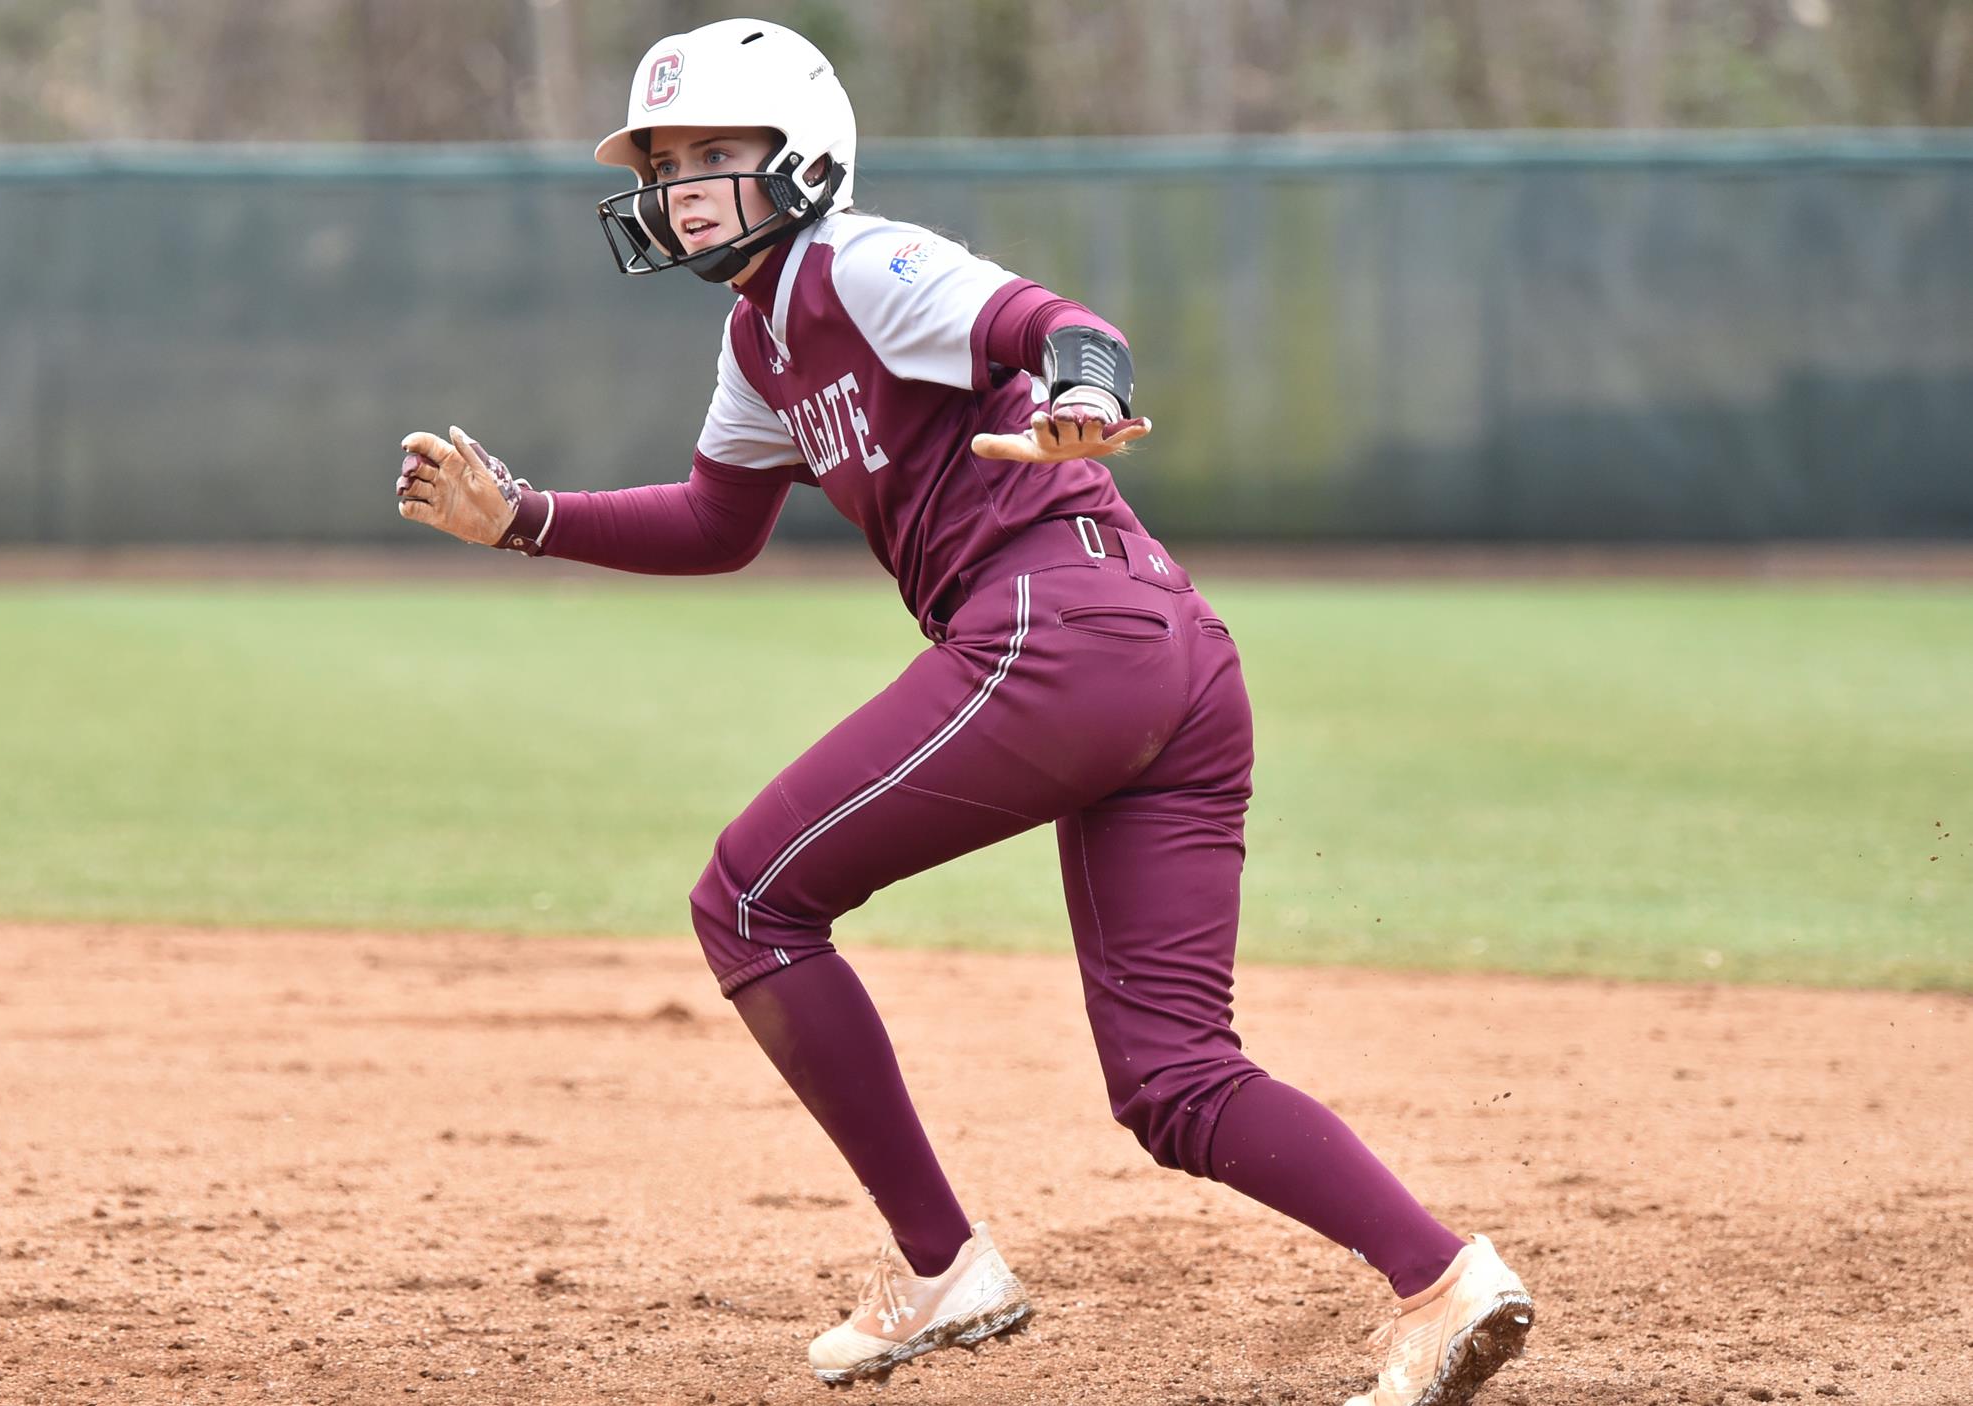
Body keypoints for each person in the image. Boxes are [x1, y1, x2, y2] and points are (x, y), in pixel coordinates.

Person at [392, 18, 1534, 1406]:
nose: (682, 185)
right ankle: (1445, 1280)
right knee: (1172, 1078)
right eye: (667, 161)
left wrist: (1084, 394)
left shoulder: (858, 263)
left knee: (748, 899)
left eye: (714, 154)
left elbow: (1062, 326)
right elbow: (715, 523)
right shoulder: (760, 342)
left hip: (1060, 625)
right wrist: (525, 519)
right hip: (1163, 652)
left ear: (803, 158)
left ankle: (941, 1266)